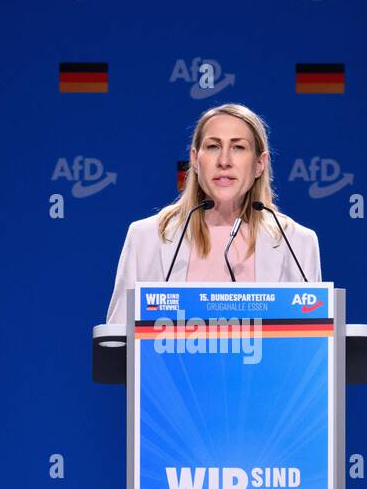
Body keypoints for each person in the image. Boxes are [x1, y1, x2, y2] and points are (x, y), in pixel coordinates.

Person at [105, 103, 322, 325]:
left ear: (259, 164)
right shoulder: (146, 237)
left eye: (238, 147)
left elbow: (312, 346)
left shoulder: (296, 243)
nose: (224, 161)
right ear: (194, 159)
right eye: (212, 146)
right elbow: (118, 342)